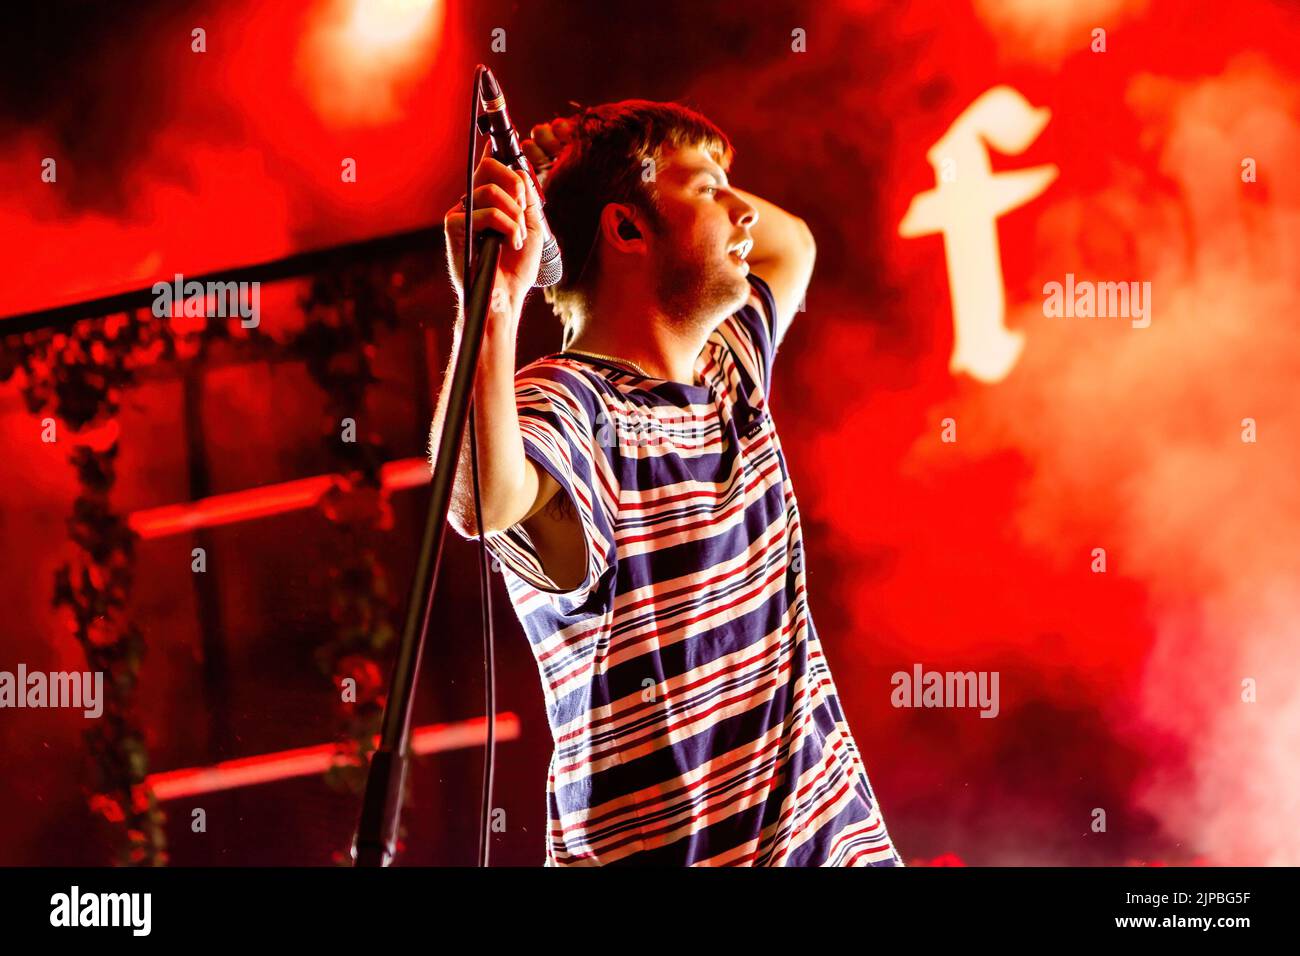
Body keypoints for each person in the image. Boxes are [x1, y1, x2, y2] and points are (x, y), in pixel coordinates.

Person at [432, 100, 902, 866]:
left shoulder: (729, 369)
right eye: (710, 189)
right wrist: (494, 302)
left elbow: (795, 244)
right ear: (626, 229)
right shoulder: (571, 401)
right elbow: (478, 499)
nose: (743, 211)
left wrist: (604, 136)